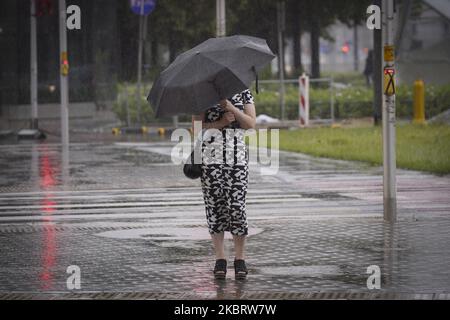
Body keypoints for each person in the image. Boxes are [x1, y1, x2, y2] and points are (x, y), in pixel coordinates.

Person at [192, 89, 256, 280]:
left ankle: (240, 259)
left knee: (237, 207)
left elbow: (251, 124)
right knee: (215, 206)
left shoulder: (243, 92)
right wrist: (220, 123)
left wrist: (231, 108)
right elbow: (195, 128)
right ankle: (220, 258)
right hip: (210, 157)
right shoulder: (203, 93)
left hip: (237, 156)